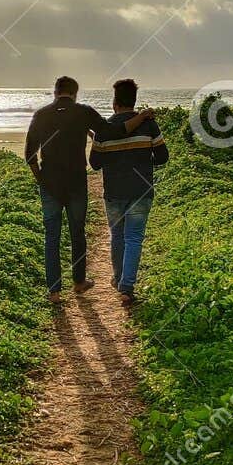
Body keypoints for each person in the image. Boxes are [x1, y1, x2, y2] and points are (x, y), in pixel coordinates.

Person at [24, 76, 150, 304]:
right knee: (77, 232)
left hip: (50, 182)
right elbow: (114, 131)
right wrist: (141, 117)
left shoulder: (40, 115)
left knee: (51, 236)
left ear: (55, 92)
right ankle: (79, 282)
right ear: (75, 93)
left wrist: (41, 179)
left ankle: (54, 291)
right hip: (76, 182)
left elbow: (30, 156)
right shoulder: (83, 112)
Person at [89, 77, 168, 308]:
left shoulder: (104, 129)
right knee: (134, 238)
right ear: (134, 102)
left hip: (114, 191)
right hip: (141, 190)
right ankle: (126, 287)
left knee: (118, 236)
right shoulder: (149, 125)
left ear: (114, 103)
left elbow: (95, 164)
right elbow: (163, 157)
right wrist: (142, 160)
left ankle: (118, 277)